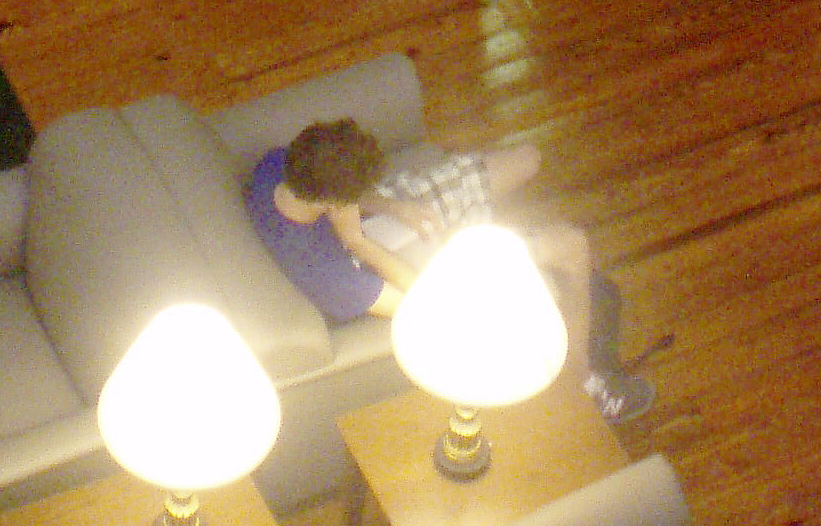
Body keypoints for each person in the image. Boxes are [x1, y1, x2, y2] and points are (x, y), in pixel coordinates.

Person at [243, 116, 649, 421]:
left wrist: (394, 206)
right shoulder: (331, 278)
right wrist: (357, 243)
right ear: (334, 203)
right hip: (399, 262)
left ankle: (484, 226)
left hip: (380, 224)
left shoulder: (278, 168)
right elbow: (425, 302)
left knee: (527, 158)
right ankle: (581, 382)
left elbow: (351, 194)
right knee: (573, 247)